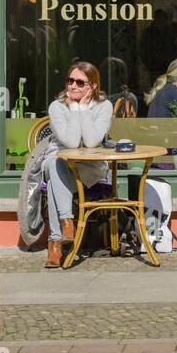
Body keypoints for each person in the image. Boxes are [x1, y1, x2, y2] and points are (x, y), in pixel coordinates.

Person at [43, 61, 114, 269]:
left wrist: (81, 109)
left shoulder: (104, 106)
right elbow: (71, 143)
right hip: (60, 163)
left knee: (57, 183)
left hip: (90, 168)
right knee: (57, 162)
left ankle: (56, 241)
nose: (72, 86)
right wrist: (73, 108)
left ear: (92, 86)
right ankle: (65, 225)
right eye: (70, 80)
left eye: (79, 82)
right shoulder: (57, 106)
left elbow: (91, 141)